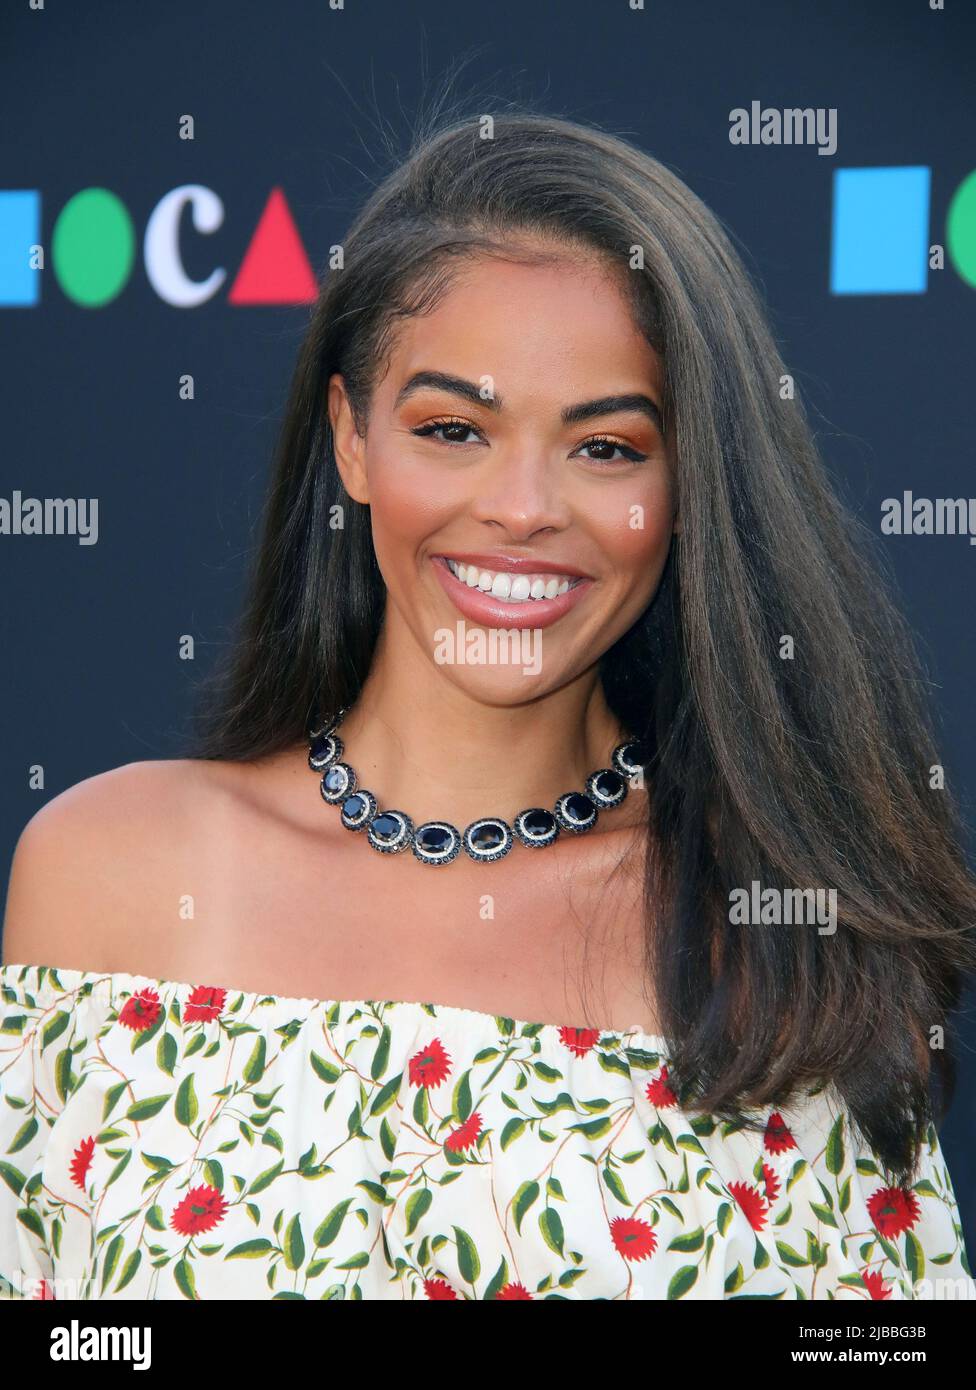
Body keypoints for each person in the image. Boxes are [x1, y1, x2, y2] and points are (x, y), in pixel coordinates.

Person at [2, 109, 975, 1302]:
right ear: (353, 440)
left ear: (686, 485)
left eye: (606, 447)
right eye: (453, 429)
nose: (521, 507)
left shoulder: (780, 940)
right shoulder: (106, 873)